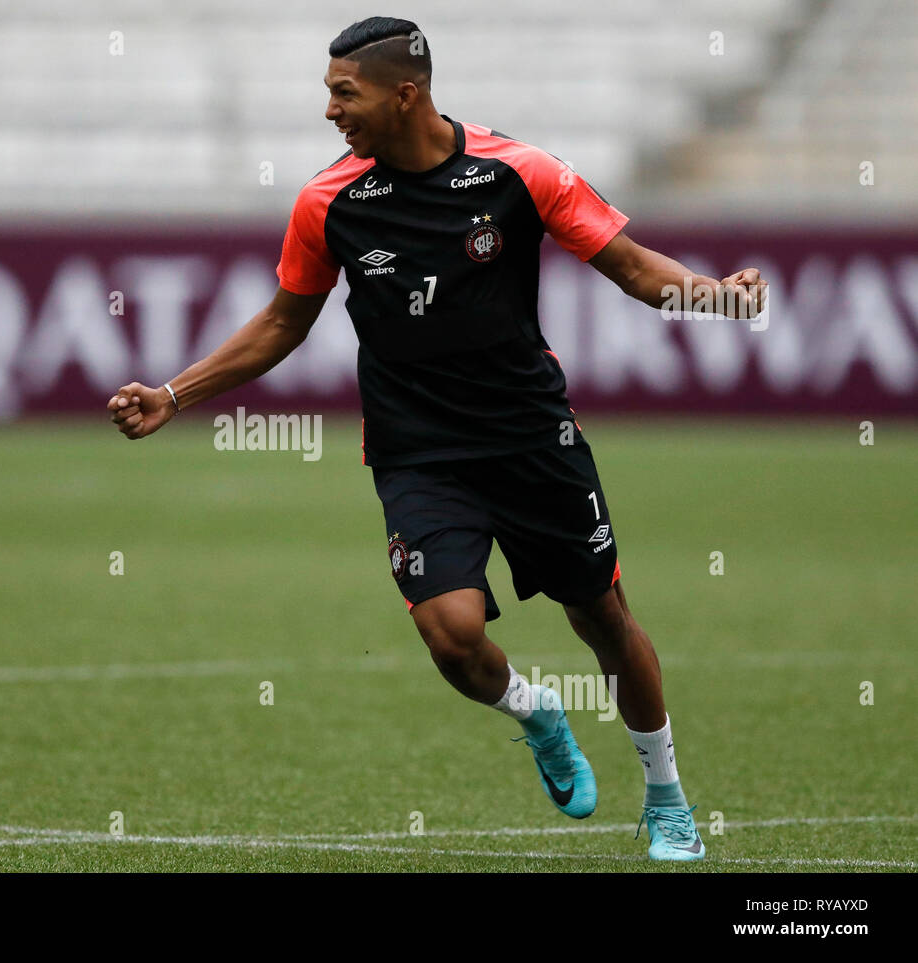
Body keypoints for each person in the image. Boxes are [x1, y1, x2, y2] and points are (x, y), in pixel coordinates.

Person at [107, 16, 767, 861]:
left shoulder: (521, 173)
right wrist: (174, 393)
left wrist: (719, 297)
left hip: (531, 438)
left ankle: (667, 797)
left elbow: (635, 270)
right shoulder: (328, 201)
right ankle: (536, 713)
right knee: (451, 636)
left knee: (602, 617)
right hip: (417, 452)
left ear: (403, 93)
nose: (330, 111)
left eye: (344, 93)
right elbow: (282, 322)